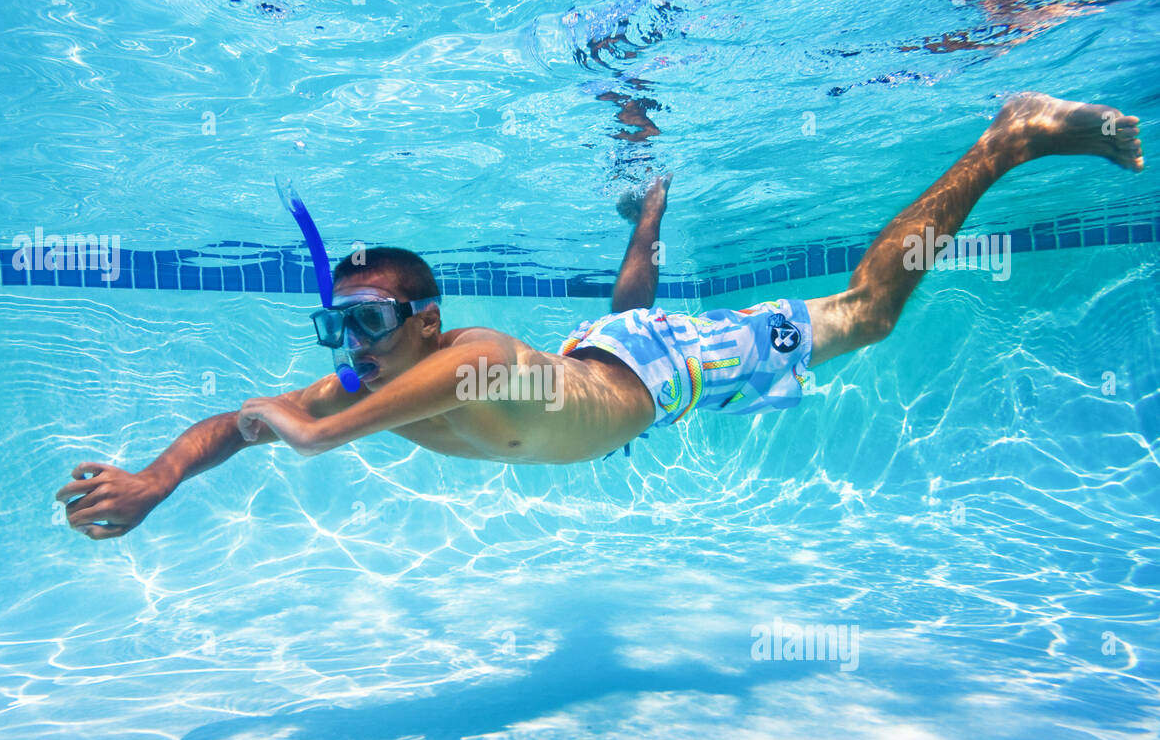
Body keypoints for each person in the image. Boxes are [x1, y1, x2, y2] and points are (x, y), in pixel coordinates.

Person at [58, 92, 1143, 539]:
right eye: (340, 322)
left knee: (867, 316)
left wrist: (293, 422)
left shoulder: (459, 361)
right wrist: (161, 475)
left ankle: (1007, 139)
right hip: (607, 360)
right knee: (618, 322)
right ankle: (649, 216)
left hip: (679, 368)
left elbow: (332, 421)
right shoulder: (376, 374)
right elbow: (249, 424)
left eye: (374, 320)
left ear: (426, 319)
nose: (355, 343)